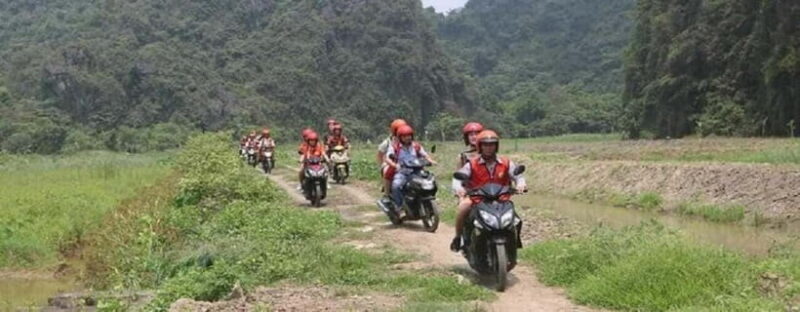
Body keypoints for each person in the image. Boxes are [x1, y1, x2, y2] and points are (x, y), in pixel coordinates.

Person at [450, 130, 526, 252]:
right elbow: (458, 177)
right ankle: (458, 237)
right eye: (485, 145)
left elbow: (518, 176)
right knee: (463, 207)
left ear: (496, 146)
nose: (489, 148)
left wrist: (521, 185)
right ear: (480, 146)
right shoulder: (472, 164)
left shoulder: (506, 162)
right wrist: (459, 189)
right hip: (477, 198)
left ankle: (514, 242)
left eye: (492, 144)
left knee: (517, 220)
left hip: (501, 199)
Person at [384, 125, 437, 209]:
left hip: (416, 172)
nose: (407, 138)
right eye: (404, 136)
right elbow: (387, 158)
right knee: (396, 186)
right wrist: (395, 165)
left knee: (429, 182)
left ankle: (426, 202)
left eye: (409, 135)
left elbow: (425, 155)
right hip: (402, 172)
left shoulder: (416, 146)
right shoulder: (395, 147)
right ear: (400, 137)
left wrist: (431, 161)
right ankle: (400, 206)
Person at [377, 119, 408, 198]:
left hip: (406, 162)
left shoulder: (408, 139)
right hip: (390, 161)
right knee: (387, 172)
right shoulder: (388, 142)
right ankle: (387, 194)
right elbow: (380, 153)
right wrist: (382, 164)